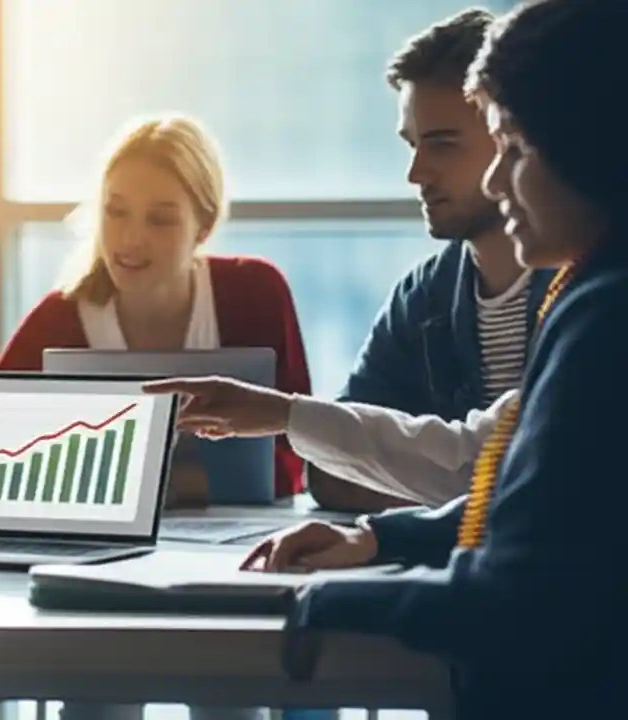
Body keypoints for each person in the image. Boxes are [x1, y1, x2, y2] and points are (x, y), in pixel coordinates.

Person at [146, 1, 628, 715]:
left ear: (586, 142)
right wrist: (378, 538)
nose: (497, 180)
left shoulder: (602, 313)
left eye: (516, 149)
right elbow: (505, 491)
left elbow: (518, 588)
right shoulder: (569, 293)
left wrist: (328, 600)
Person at [309, 7, 556, 513]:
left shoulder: (588, 285)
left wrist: (420, 477)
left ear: (510, 135)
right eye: (412, 144)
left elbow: (539, 473)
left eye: (442, 145)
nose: (416, 173)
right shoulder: (423, 298)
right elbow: (332, 467)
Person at [0, 115, 311, 508]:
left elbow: (298, 453)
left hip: (233, 547)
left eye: (160, 220)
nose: (130, 239)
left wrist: (145, 488)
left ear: (203, 228)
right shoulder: (57, 320)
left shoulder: (254, 293)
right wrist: (191, 485)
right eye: (115, 212)